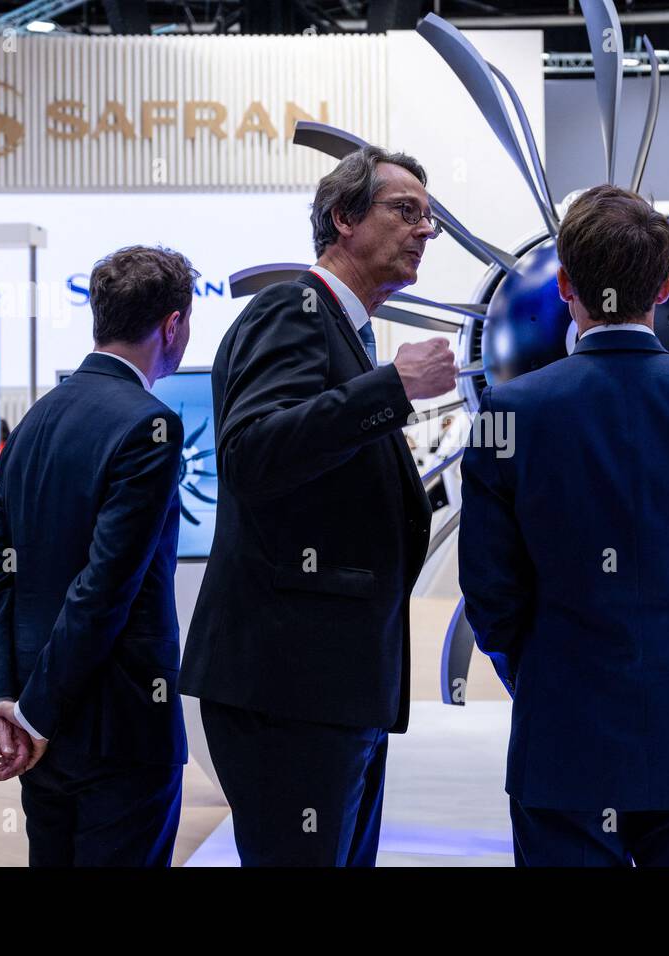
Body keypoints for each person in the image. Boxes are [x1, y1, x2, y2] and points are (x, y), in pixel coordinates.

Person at [459, 185, 669, 867]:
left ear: (563, 285)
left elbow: (490, 594)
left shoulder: (508, 411)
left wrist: (544, 676)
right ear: (666, 284)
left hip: (564, 735)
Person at [180, 145, 457, 866]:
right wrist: (391, 389)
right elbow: (254, 454)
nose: (424, 230)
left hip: (324, 689)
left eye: (430, 219)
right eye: (406, 212)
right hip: (291, 691)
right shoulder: (292, 310)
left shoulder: (341, 332)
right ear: (343, 218)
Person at [0, 246, 195, 866]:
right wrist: (33, 714)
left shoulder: (34, 421)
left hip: (43, 729)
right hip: (117, 728)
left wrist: (1, 701)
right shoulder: (151, 424)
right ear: (172, 325)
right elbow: (104, 588)